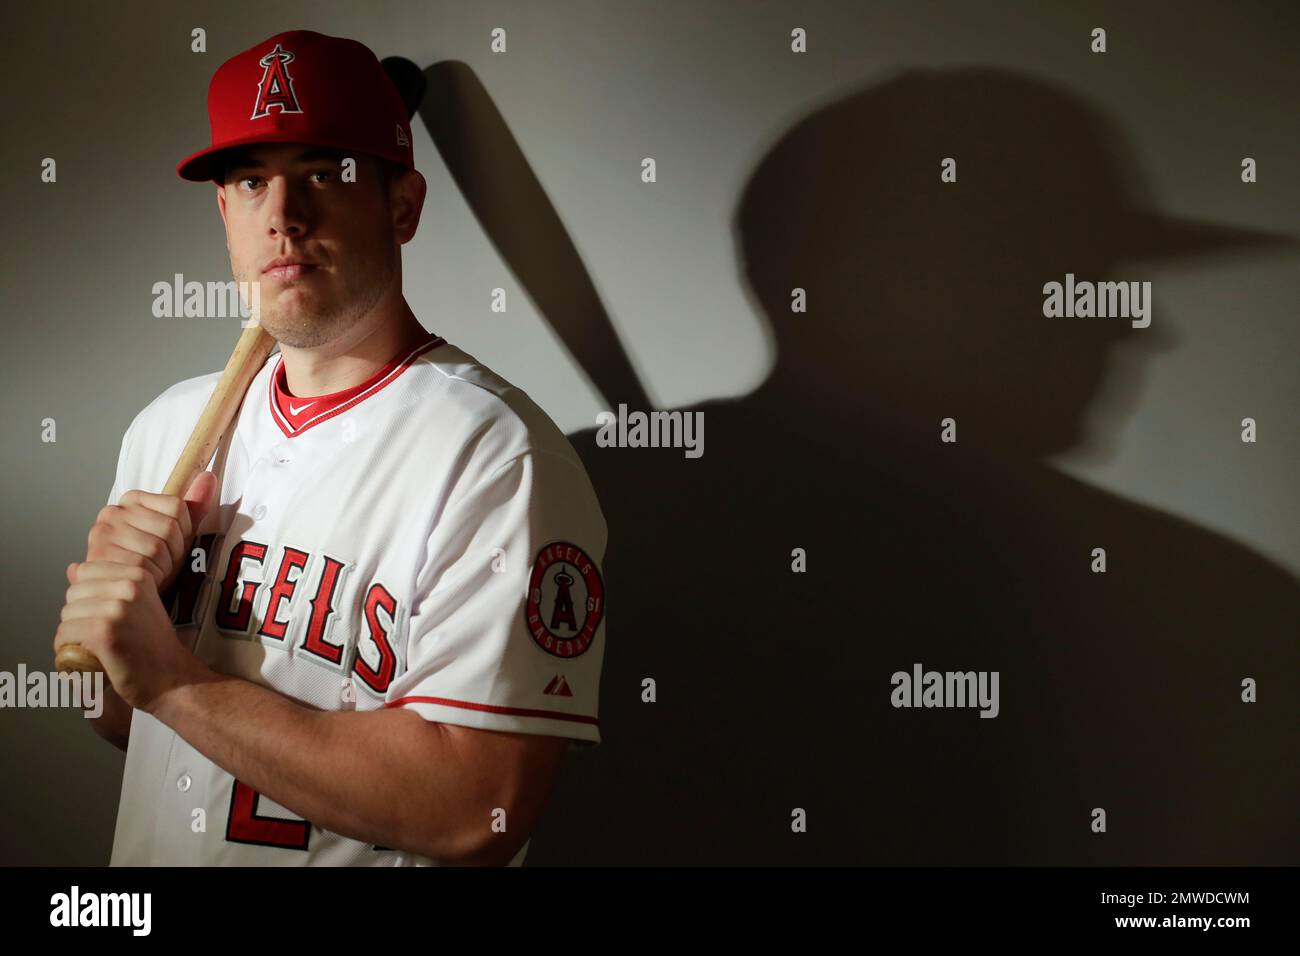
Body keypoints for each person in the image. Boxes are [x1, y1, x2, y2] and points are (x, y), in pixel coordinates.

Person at [53, 29, 608, 867]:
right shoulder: (167, 429)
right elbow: (128, 719)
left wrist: (172, 677)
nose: (283, 217)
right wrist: (111, 653)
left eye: (323, 173)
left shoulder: (496, 457)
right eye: (251, 181)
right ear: (225, 214)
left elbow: (476, 807)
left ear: (403, 206)